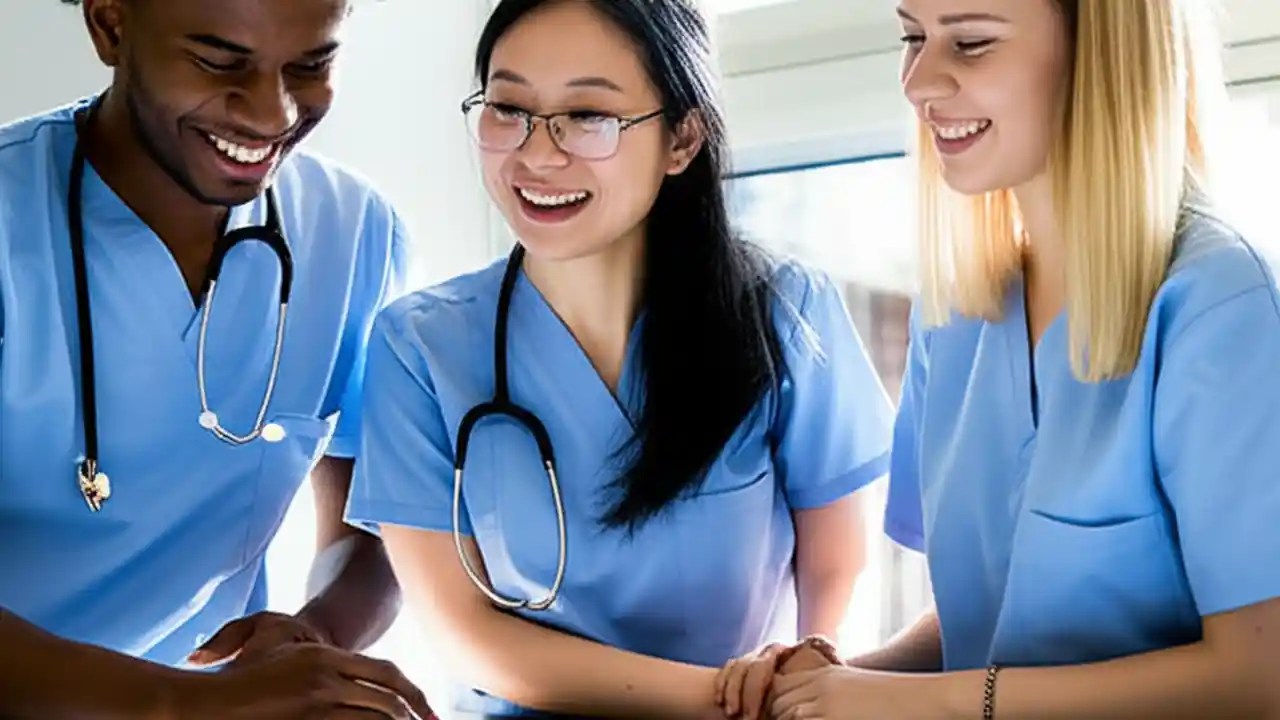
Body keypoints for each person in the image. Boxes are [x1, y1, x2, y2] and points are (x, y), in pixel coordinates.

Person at [715, 0, 1280, 718]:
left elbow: (1257, 680)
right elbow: (987, 626)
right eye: (912, 37)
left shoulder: (1220, 307)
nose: (919, 81)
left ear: (1100, 56)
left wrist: (917, 703)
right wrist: (826, 686)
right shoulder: (956, 317)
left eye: (972, 43)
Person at [342, 0, 896, 716]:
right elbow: (463, 633)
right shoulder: (420, 348)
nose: (538, 154)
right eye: (509, 108)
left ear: (682, 138)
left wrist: (811, 676)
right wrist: (733, 701)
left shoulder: (784, 311)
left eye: (588, 117)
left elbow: (834, 562)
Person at [0, 1, 434, 718]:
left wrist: (314, 639)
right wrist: (185, 704)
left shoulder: (355, 232)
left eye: (312, 65)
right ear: (110, 25)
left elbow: (375, 520)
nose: (271, 113)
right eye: (220, 61)